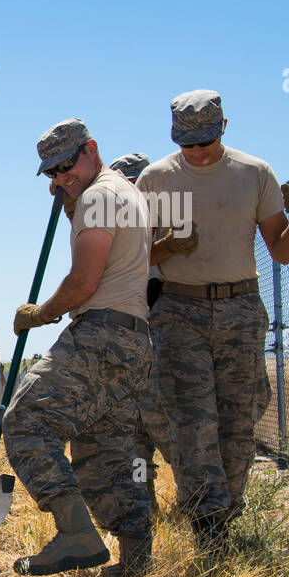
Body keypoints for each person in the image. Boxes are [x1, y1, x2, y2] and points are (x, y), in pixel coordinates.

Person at [136, 90, 289, 552]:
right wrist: (169, 247)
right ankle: (207, 524)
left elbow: (283, 251)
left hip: (240, 308)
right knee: (193, 421)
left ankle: (226, 514)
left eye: (206, 141)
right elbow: (131, 259)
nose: (196, 151)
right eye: (187, 143)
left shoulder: (254, 174)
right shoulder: (155, 179)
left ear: (225, 127)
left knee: (238, 422)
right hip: (178, 311)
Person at [6, 118, 154, 577]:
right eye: (50, 172)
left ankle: (75, 534)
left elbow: (85, 280)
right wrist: (72, 199)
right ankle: (135, 562)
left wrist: (43, 312)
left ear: (91, 149)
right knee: (104, 454)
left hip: (102, 335)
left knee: (25, 420)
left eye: (67, 164)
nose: (59, 177)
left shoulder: (96, 196)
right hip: (133, 341)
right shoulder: (122, 193)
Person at [109, 152, 174, 511]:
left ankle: (201, 502)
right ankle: (143, 503)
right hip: (129, 334)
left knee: (169, 424)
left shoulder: (168, 213)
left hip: (167, 327)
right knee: (134, 433)